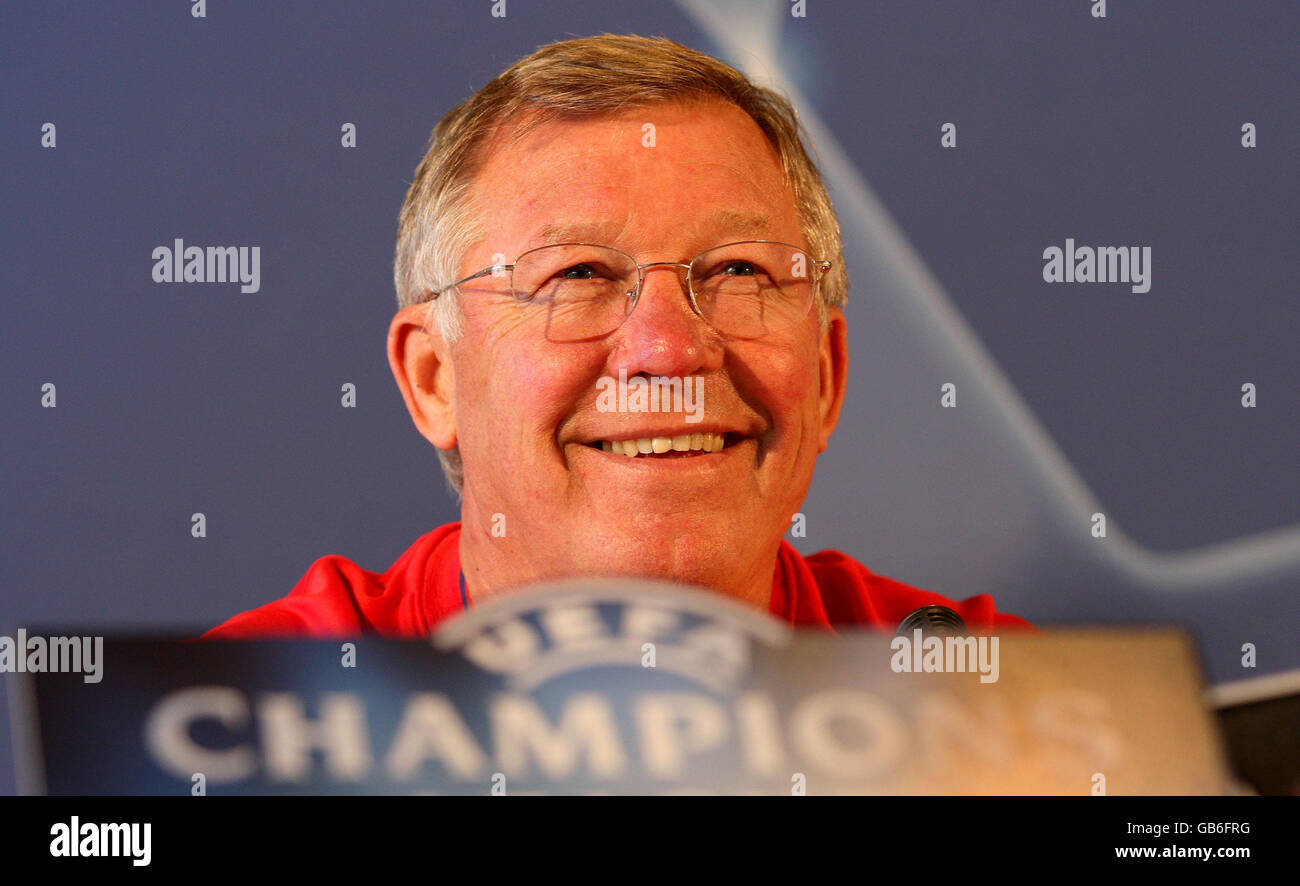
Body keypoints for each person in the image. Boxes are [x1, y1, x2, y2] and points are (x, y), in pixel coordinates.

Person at [205, 34, 1030, 639]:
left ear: (826, 374)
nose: (668, 350)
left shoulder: (1008, 707)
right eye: (578, 276)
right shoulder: (233, 722)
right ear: (434, 379)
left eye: (739, 271)